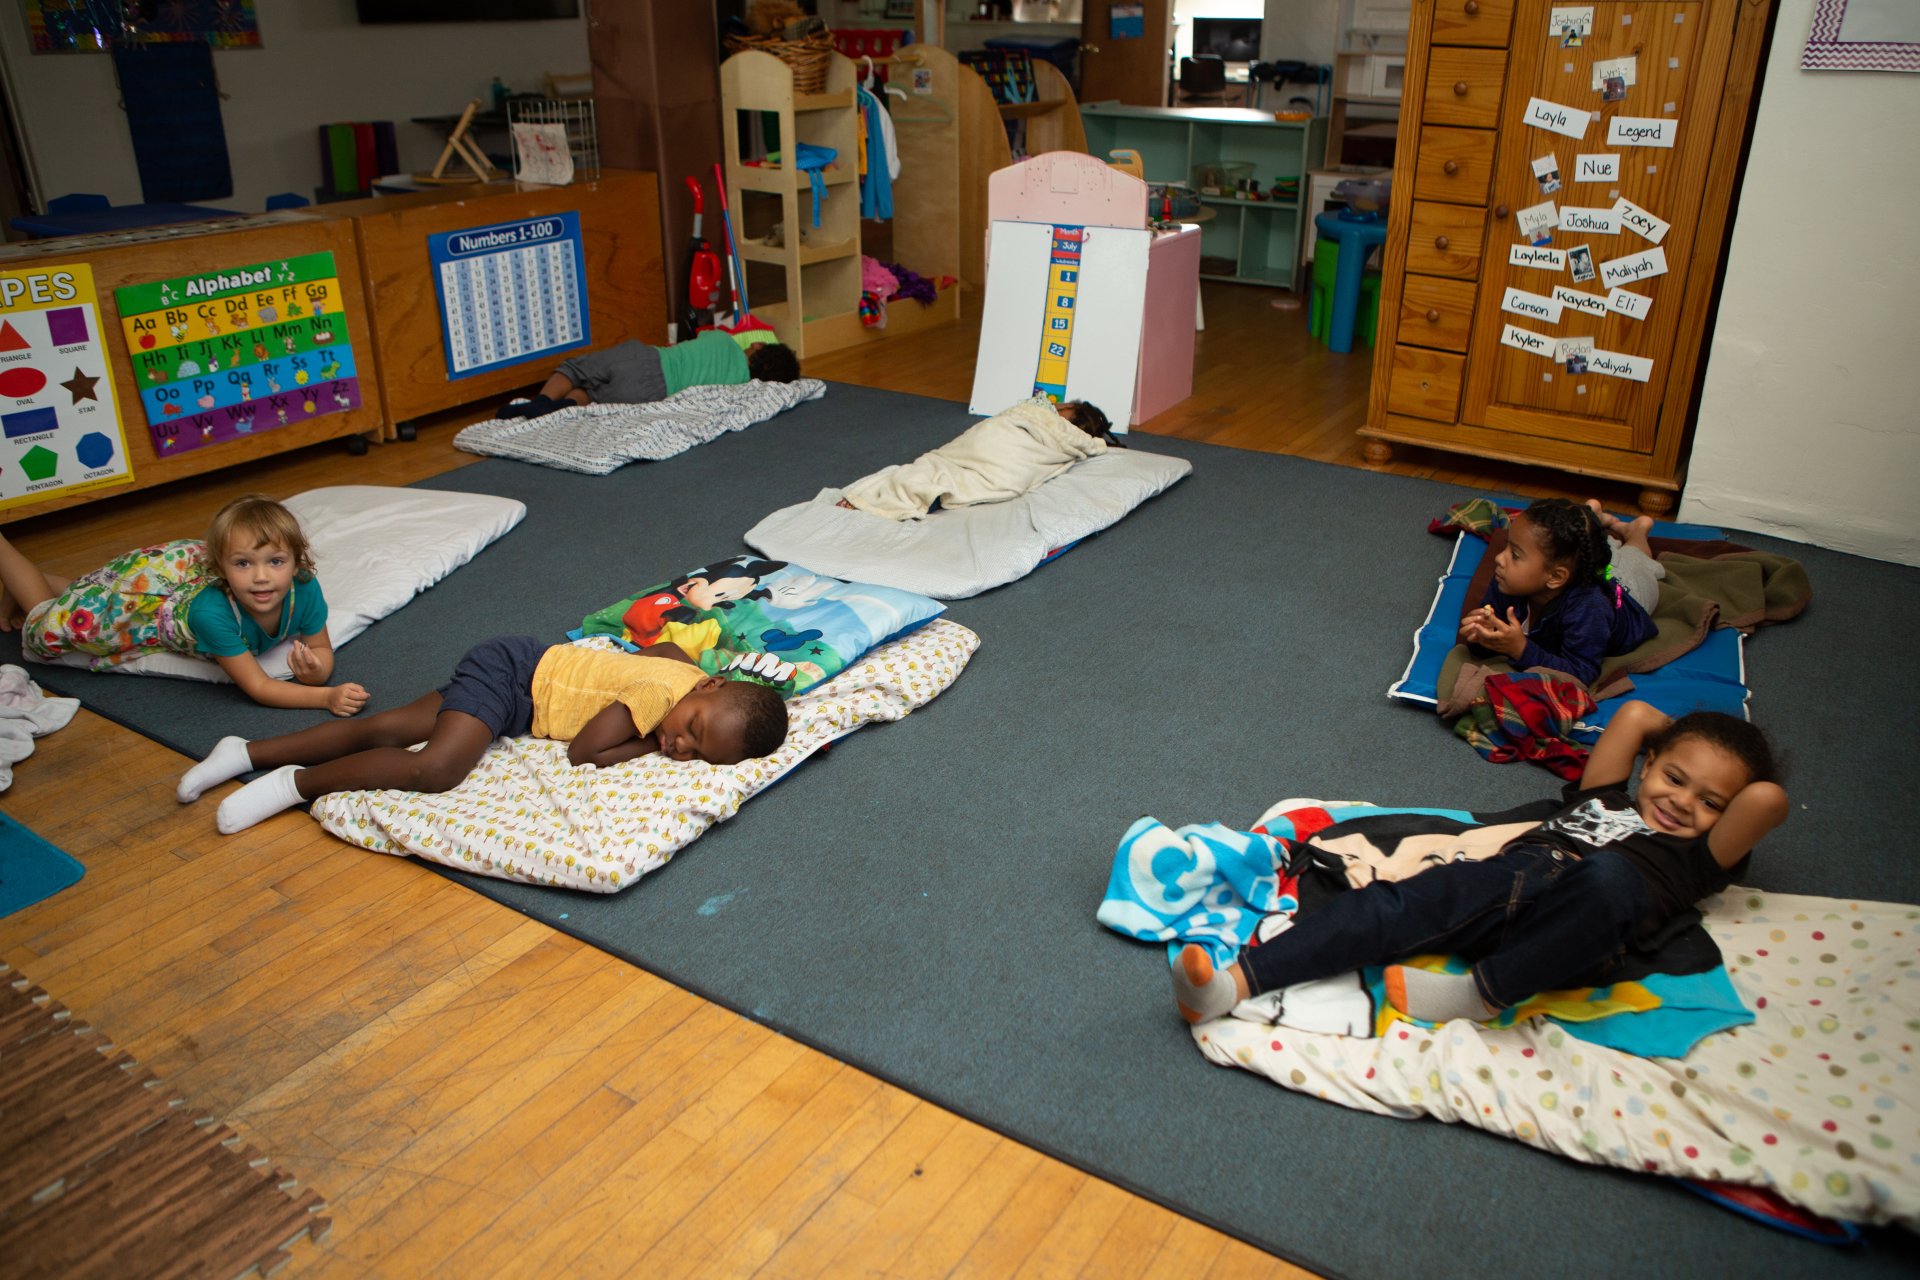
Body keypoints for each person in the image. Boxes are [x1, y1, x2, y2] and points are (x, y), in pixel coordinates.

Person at [1169, 701, 1789, 1026]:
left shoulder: (1695, 860)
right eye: (1674, 778)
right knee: (1394, 900)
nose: (1682, 803)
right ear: (1647, 766)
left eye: (1710, 803)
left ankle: (1483, 993)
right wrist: (1666, 741)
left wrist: (1704, 774)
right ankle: (1229, 986)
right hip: (1511, 880)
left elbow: (1767, 799)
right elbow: (1632, 720)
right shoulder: (1608, 796)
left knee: (1610, 878)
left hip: (1584, 926)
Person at [179, 634, 790, 834]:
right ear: (707, 687)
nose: (678, 746)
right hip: (513, 678)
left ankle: (246, 751)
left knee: (389, 727)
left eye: (696, 754)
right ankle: (295, 784)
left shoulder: (684, 674)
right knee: (437, 768)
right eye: (693, 731)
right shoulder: (661, 695)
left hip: (521, 679)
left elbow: (665, 644)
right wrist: (644, 742)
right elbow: (585, 752)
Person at [0, 495, 368, 716]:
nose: (261, 577)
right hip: (143, 600)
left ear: (297, 561)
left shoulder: (304, 588)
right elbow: (258, 686)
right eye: (243, 563)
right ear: (221, 567)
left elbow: (320, 647)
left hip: (176, 577)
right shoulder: (212, 614)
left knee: (84, 592)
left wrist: (315, 672)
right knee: (48, 627)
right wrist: (326, 696)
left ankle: (37, 581)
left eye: (275, 562)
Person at [1457, 497, 1657, 687]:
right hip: (1586, 572)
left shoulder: (1589, 609)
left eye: (1515, 554)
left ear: (1555, 577)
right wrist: (1483, 635)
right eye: (1506, 546)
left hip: (1629, 592)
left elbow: (1581, 673)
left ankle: (1637, 530)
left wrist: (1520, 649)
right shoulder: (1507, 580)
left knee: (1632, 557)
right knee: (1589, 552)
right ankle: (1590, 519)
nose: (1500, 558)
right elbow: (1486, 642)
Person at [834, 397, 1121, 520]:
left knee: (931, 470)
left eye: (1063, 407)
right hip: (985, 460)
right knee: (938, 469)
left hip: (992, 464)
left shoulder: (1042, 418)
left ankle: (874, 502)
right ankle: (905, 496)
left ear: (1068, 409)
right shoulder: (1077, 444)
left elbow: (1018, 451)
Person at [496, 328, 801, 419]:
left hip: (647, 358)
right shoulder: (738, 386)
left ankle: (543, 399)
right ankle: (565, 406)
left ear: (757, 345)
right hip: (652, 393)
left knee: (577, 368)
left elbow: (694, 341)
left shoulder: (722, 339)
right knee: (593, 394)